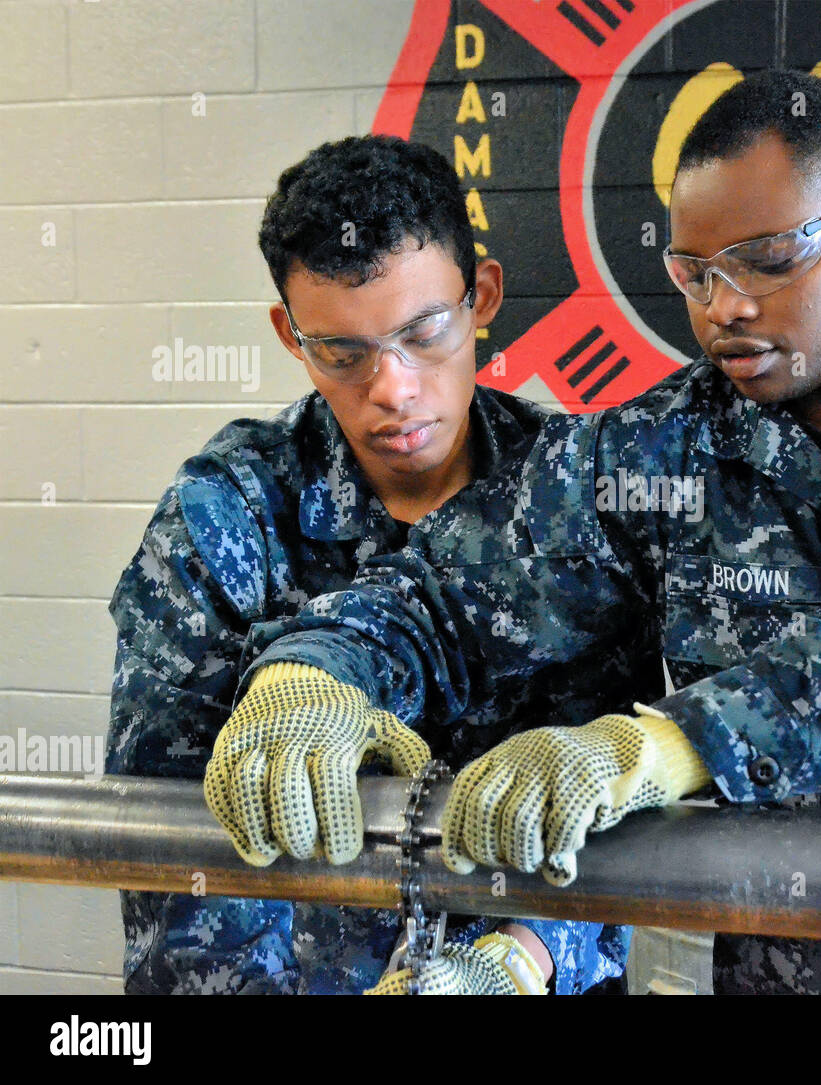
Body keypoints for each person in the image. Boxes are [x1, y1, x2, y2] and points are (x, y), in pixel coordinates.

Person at [213, 71, 821, 994]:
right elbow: (442, 590)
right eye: (696, 273)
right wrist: (304, 677)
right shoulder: (661, 450)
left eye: (768, 259)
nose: (726, 307)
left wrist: (664, 746)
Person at [106, 134, 628, 995]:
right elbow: (174, 856)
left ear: (482, 298)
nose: (392, 388)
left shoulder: (571, 494)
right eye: (343, 355)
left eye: (423, 333)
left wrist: (521, 960)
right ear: (291, 335)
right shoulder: (225, 517)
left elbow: (618, 806)